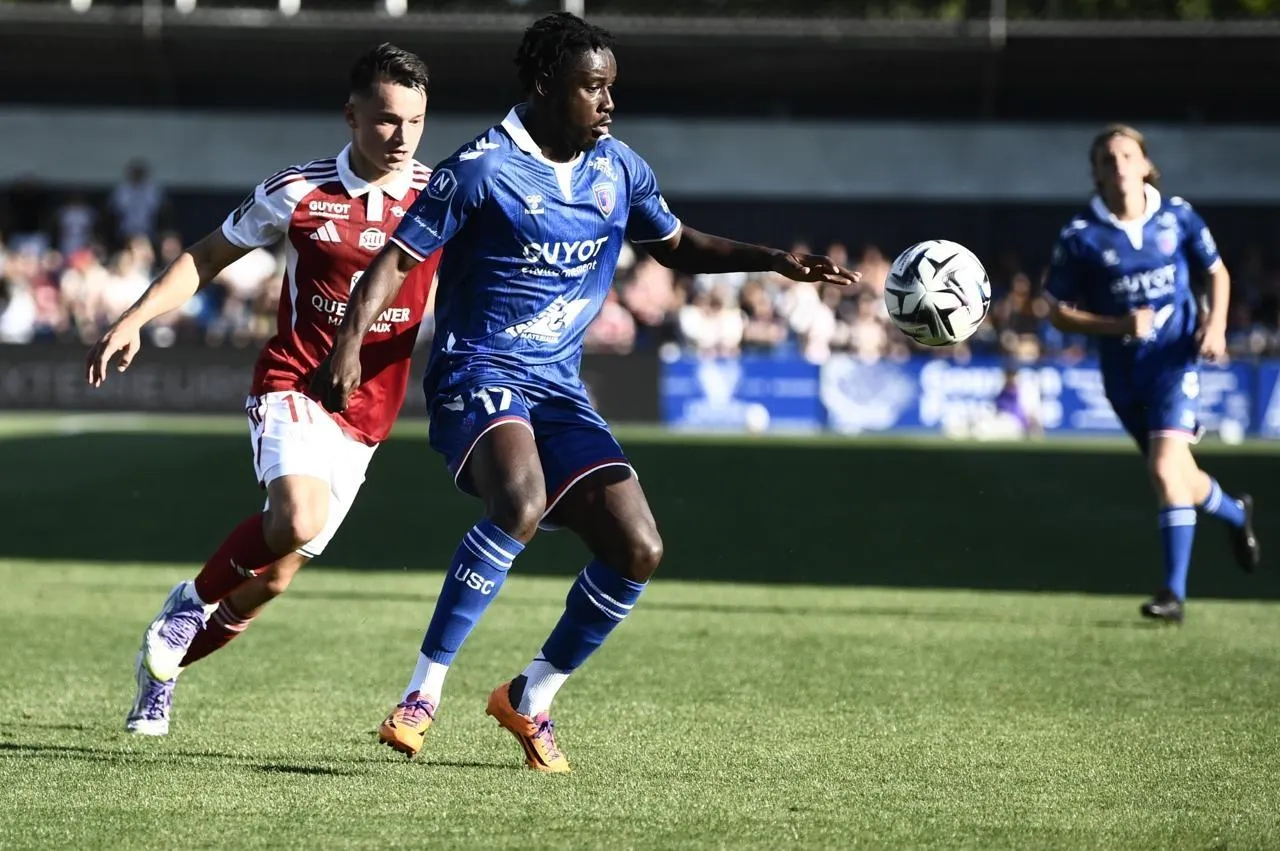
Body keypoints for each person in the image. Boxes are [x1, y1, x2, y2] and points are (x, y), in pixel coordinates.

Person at [311, 12, 858, 772]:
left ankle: (530, 696)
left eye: (611, 87)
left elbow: (676, 246)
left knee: (638, 548)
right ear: (544, 85)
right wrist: (347, 346)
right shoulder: (480, 169)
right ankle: (421, 693)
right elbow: (396, 262)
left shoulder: (619, 169)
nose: (607, 102)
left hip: (558, 388)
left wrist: (772, 260)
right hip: (478, 373)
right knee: (520, 502)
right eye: (592, 87)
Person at [84, 43, 441, 734]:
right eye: (386, 119)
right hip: (295, 383)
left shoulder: (441, 195)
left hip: (369, 413)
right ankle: (187, 604)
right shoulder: (299, 190)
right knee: (298, 518)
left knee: (271, 577)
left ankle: (162, 674)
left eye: (416, 122)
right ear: (351, 115)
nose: (402, 137)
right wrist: (135, 317)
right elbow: (207, 255)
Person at [1045, 123, 1260, 623]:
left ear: (1145, 165)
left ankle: (1173, 595)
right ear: (1096, 175)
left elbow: (1217, 272)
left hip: (1174, 362)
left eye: (1127, 155)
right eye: (1108, 159)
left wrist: (1216, 325)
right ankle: (1235, 512)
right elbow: (1056, 311)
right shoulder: (1080, 236)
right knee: (1179, 476)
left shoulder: (1177, 216)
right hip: (1122, 373)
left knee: (1164, 471)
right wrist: (1118, 325)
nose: (1118, 164)